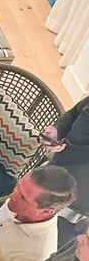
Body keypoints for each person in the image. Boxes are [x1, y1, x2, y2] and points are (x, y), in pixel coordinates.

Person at [41, 96, 89, 244]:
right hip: (51, 172)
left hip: (74, 205)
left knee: (41, 246)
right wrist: (57, 131)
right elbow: (75, 113)